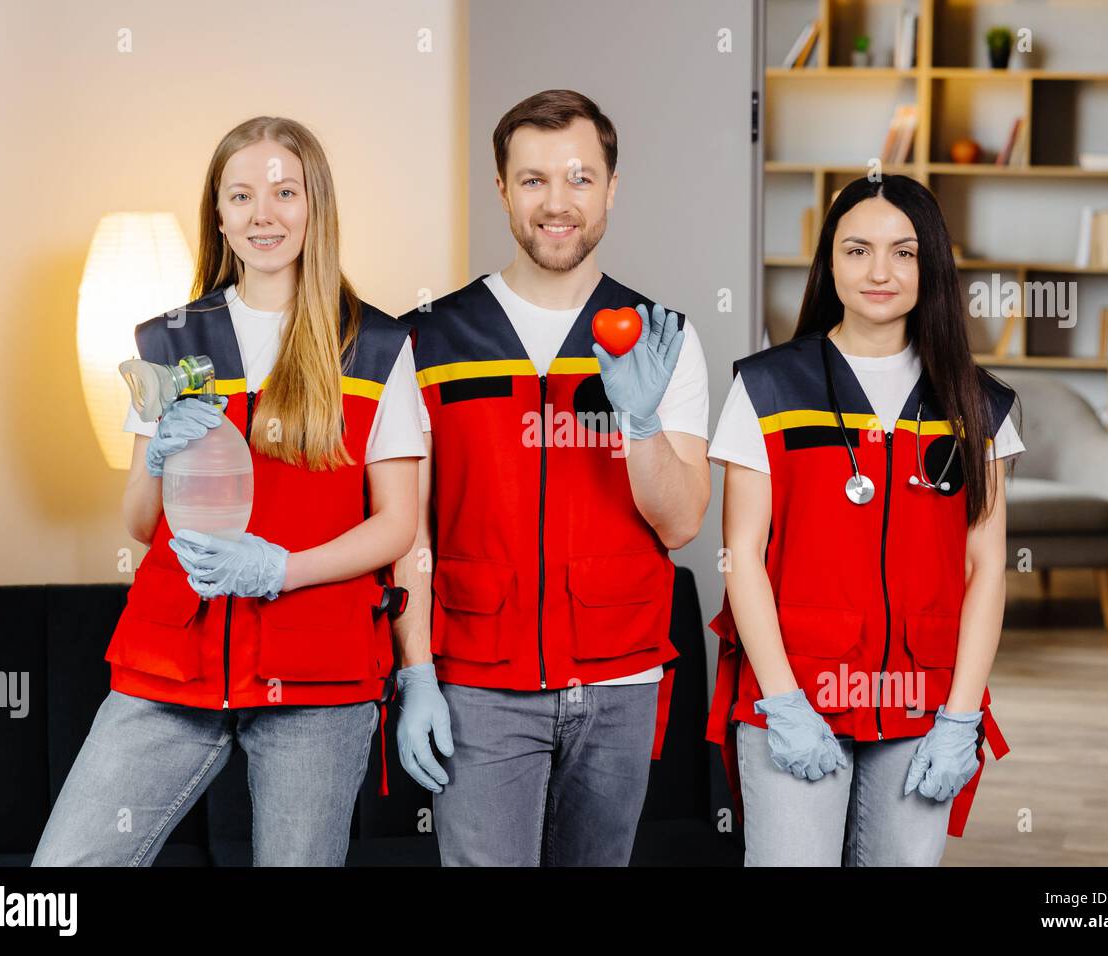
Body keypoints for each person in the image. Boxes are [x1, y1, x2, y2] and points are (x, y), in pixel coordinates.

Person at [32, 116, 425, 866]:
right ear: (217, 213)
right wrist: (153, 464)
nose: (262, 215)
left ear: (317, 207)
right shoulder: (169, 342)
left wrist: (281, 569)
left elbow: (396, 525)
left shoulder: (377, 347)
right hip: (172, 664)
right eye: (240, 196)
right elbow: (143, 526)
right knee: (65, 872)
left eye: (284, 192)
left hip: (315, 677)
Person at [391, 90, 711, 866]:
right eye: (532, 180)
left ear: (610, 187)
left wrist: (639, 423)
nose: (557, 203)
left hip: (620, 681)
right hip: (476, 683)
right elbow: (408, 530)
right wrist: (416, 675)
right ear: (502, 190)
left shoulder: (662, 337)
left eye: (578, 177)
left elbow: (681, 522)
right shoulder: (427, 338)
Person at [705, 174, 1021, 866]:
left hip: (924, 700)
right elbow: (742, 556)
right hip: (796, 692)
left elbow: (987, 566)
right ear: (830, 263)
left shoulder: (978, 403)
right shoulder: (766, 388)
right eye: (857, 250)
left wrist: (962, 715)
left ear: (930, 265)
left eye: (903, 253)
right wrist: (783, 702)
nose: (880, 271)